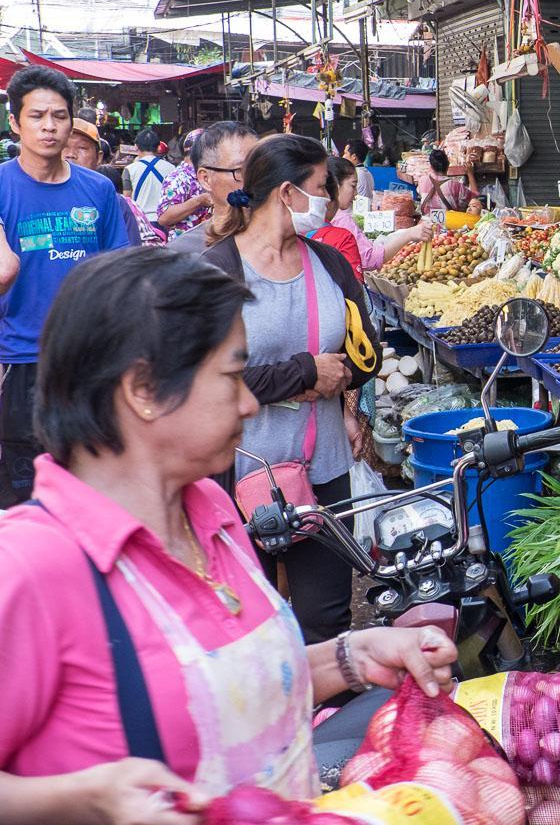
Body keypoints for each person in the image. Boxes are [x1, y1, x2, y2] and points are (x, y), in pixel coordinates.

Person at [0, 247, 457, 817]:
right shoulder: (29, 565)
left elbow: (236, 694)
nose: (247, 402)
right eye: (232, 375)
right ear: (143, 390)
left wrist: (352, 655)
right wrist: (78, 801)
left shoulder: (210, 511)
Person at [202, 134, 379, 643]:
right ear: (287, 193)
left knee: (327, 618)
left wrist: (341, 382)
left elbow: (365, 354)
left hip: (322, 470)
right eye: (321, 186)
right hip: (239, 475)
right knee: (250, 625)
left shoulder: (330, 264)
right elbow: (204, 384)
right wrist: (304, 373)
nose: (328, 198)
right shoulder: (217, 273)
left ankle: (327, 718)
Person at [0, 66, 131, 507]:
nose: (49, 127)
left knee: (91, 496)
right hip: (16, 364)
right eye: (37, 116)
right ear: (16, 122)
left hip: (88, 363)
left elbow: (120, 276)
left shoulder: (98, 191)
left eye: (59, 115)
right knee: (25, 505)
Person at [325, 155, 431, 277]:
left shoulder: (320, 218)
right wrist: (409, 234)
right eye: (353, 186)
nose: (356, 194)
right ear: (335, 186)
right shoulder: (342, 220)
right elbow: (370, 259)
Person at [168, 122, 259, 255]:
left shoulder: (287, 241)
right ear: (206, 179)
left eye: (261, 167)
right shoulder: (184, 254)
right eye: (240, 170)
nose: (257, 177)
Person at [67, 119, 161, 248]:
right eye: (63, 147)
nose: (71, 154)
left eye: (82, 148)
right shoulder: (33, 196)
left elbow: (126, 257)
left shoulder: (114, 201)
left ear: (99, 157)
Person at [156, 129, 212, 238]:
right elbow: (164, 217)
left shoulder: (205, 174)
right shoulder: (178, 178)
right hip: (184, 247)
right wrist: (199, 201)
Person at [403, 148, 480, 217]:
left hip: (426, 227)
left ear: (431, 166)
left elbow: (420, 193)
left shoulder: (422, 181)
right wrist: (470, 173)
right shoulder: (455, 186)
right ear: (448, 165)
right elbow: (475, 197)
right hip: (450, 228)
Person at [124, 129, 171, 217]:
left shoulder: (129, 169)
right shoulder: (171, 168)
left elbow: (127, 200)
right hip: (166, 218)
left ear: (136, 147)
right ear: (158, 147)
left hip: (141, 220)